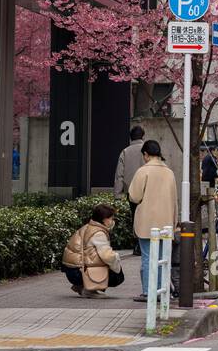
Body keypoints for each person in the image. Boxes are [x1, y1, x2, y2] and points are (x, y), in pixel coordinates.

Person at [128, 140, 179, 302]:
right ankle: (161, 290)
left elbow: (134, 197)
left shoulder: (143, 171)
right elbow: (175, 201)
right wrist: (174, 222)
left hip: (146, 222)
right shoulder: (169, 172)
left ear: (146, 154)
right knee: (163, 259)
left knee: (148, 257)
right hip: (166, 223)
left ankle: (148, 292)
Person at [62, 205, 124, 298]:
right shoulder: (98, 233)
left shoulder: (88, 227)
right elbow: (107, 256)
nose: (112, 221)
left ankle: (82, 285)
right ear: (104, 219)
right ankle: (90, 289)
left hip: (72, 270)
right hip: (78, 272)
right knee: (117, 275)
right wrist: (117, 262)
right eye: (111, 218)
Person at [114, 126, 147, 257]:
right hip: (147, 189)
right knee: (147, 216)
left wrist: (117, 195)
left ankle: (137, 244)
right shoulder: (148, 150)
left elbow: (119, 175)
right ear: (143, 136)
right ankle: (146, 243)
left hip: (132, 192)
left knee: (135, 217)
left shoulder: (125, 152)